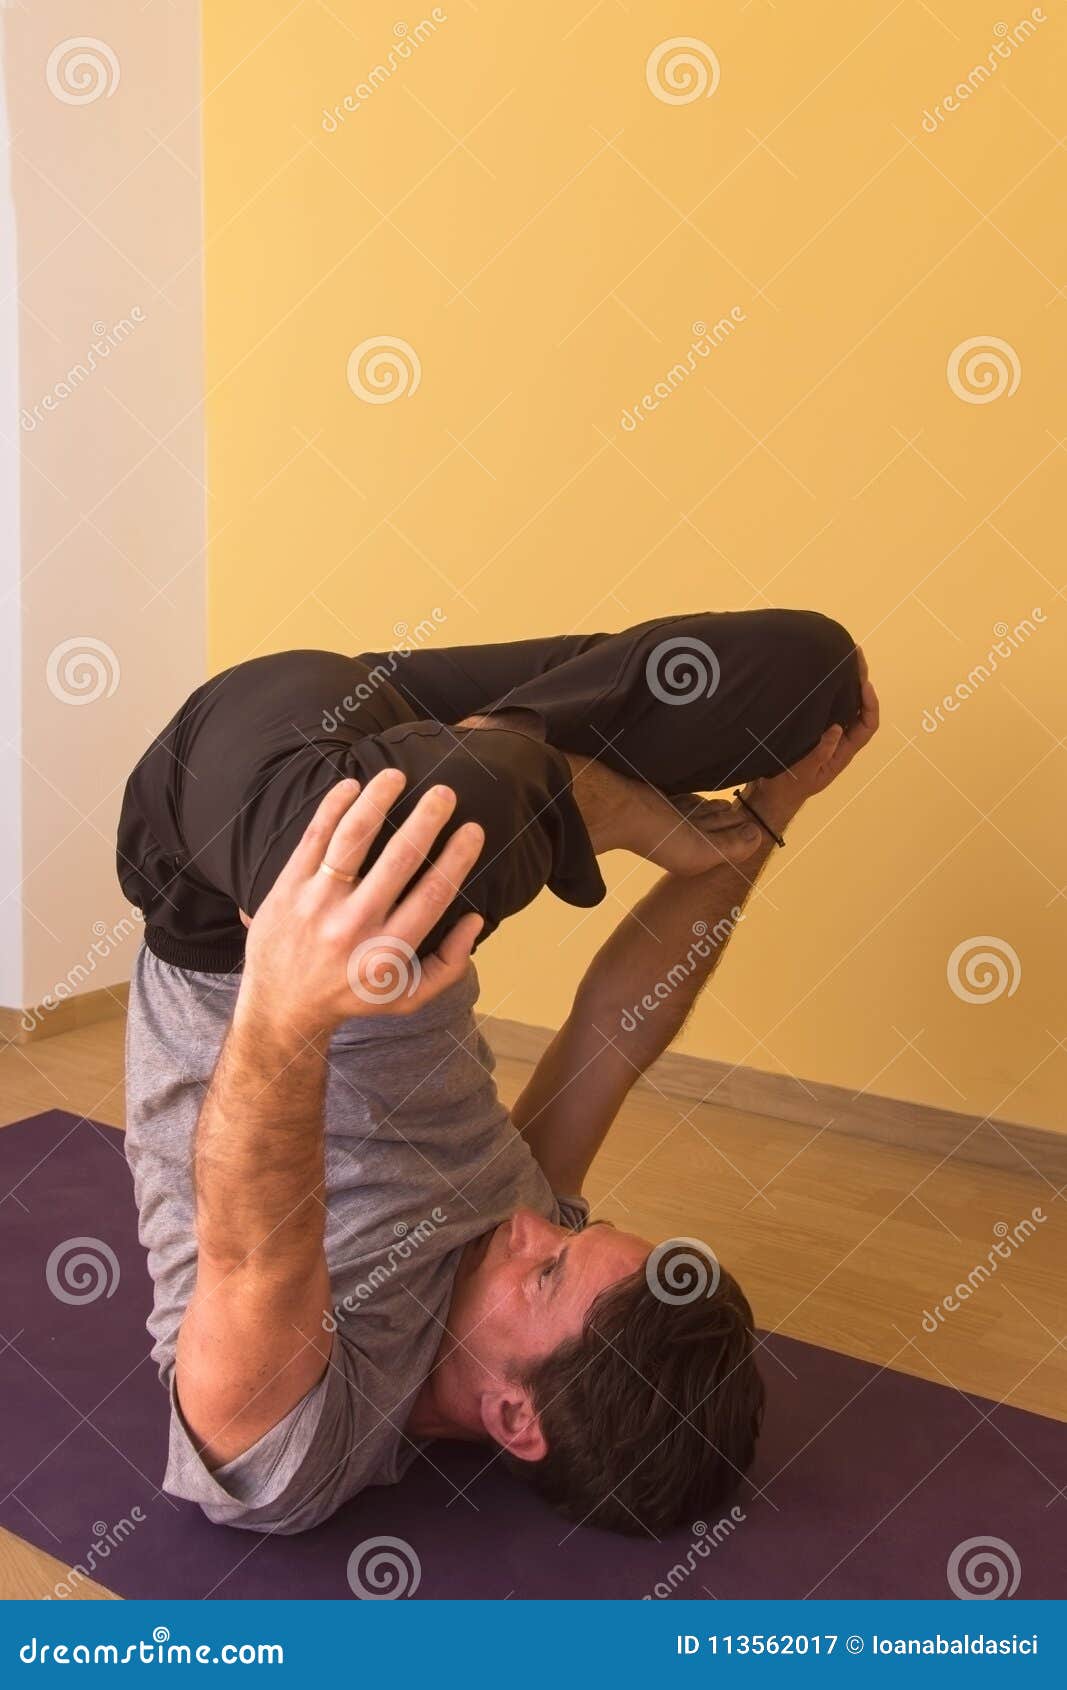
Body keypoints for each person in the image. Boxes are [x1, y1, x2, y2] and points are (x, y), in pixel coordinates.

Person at [117, 611, 879, 1536]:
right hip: (399, 768)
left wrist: (287, 1001)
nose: (530, 1225)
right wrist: (761, 824)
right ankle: (498, 760)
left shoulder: (296, 1448)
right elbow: (609, 1036)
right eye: (575, 1232)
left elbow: (246, 1252)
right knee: (805, 679)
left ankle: (539, 781)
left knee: (403, 873)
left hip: (240, 881)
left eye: (550, 1271)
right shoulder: (527, 1232)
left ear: (517, 1418)